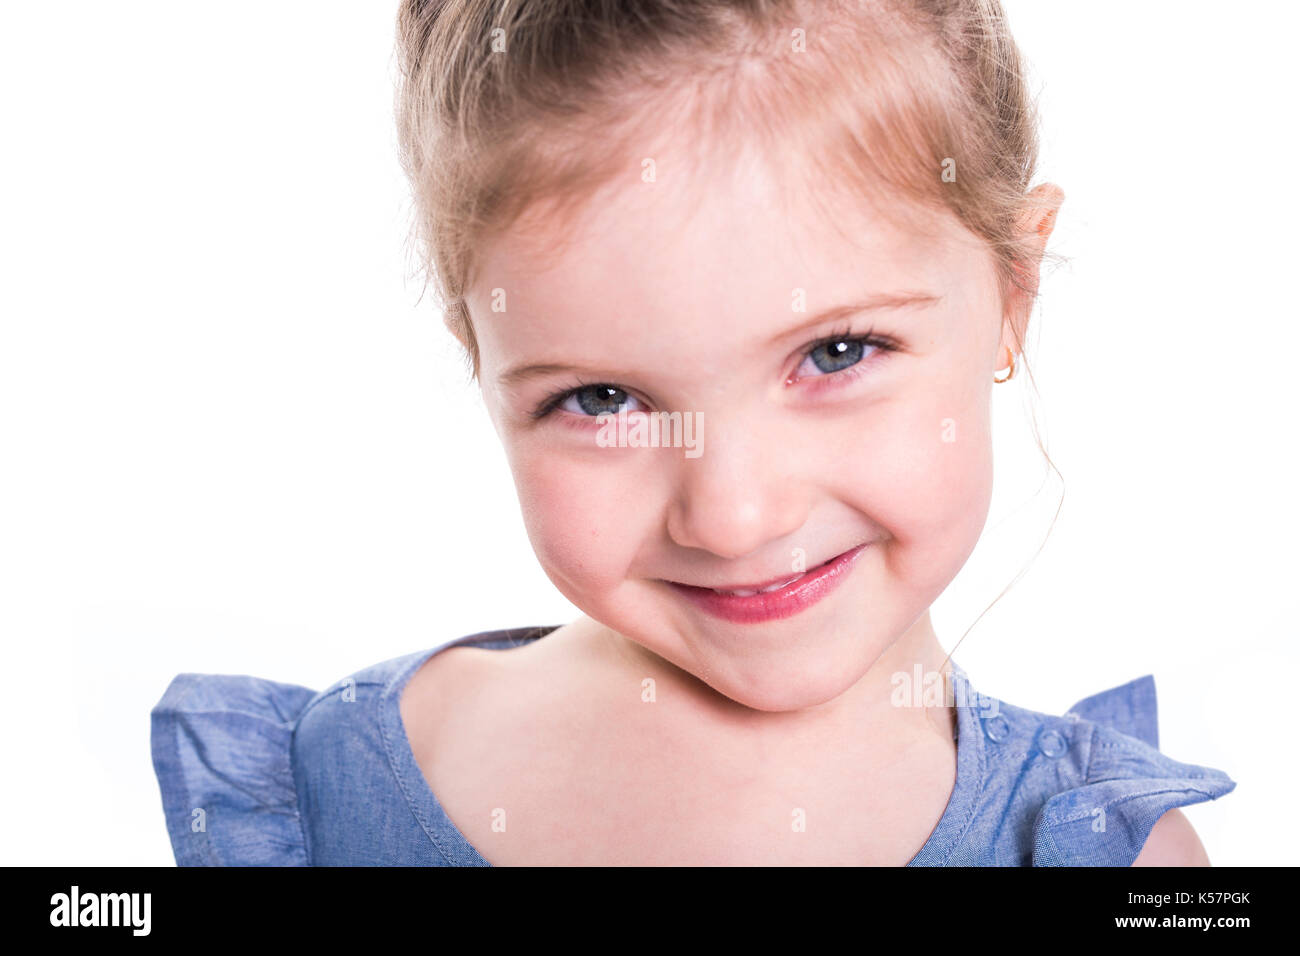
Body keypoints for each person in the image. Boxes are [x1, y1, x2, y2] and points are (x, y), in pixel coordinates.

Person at [150, 0, 1234, 866]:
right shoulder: (314, 790)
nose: (732, 513)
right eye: (603, 399)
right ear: (481, 360)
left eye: (837, 352)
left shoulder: (1109, 857)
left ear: (1012, 289)